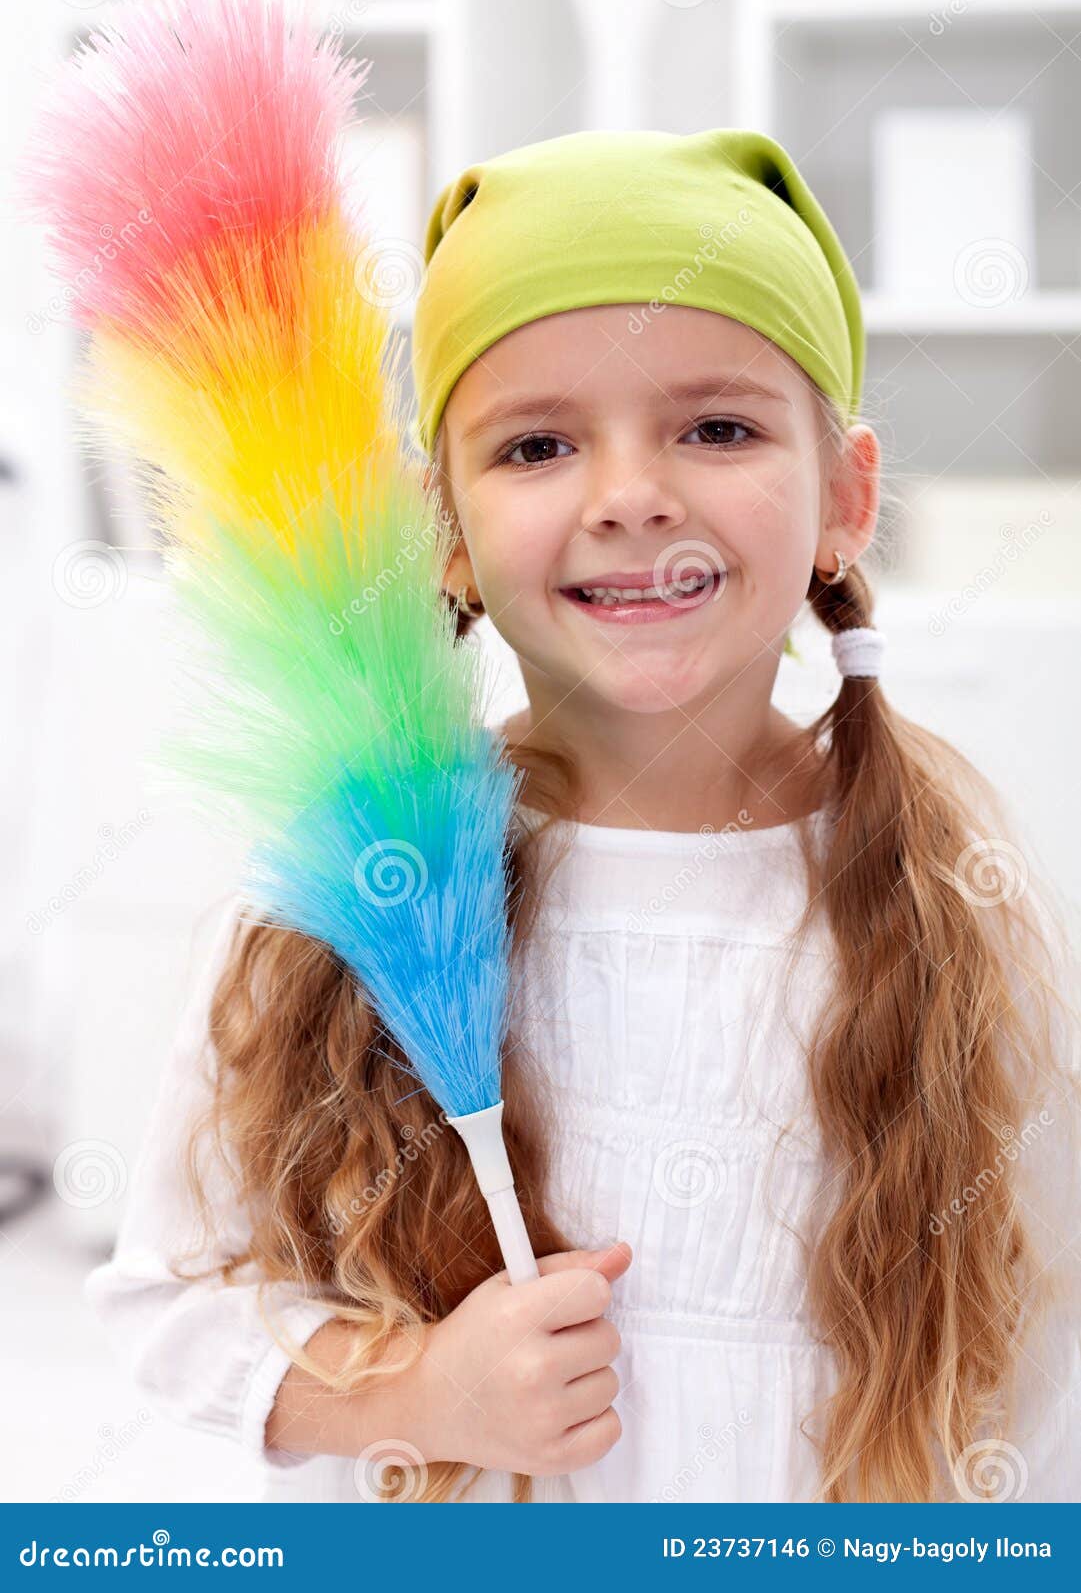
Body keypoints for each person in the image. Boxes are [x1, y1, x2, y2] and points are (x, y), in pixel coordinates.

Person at [86, 127, 1081, 1504]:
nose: (628, 496)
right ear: (446, 531)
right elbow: (165, 1308)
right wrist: (419, 1391)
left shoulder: (952, 900)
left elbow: (1040, 1370)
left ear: (846, 496)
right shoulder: (346, 899)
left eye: (716, 426)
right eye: (538, 444)